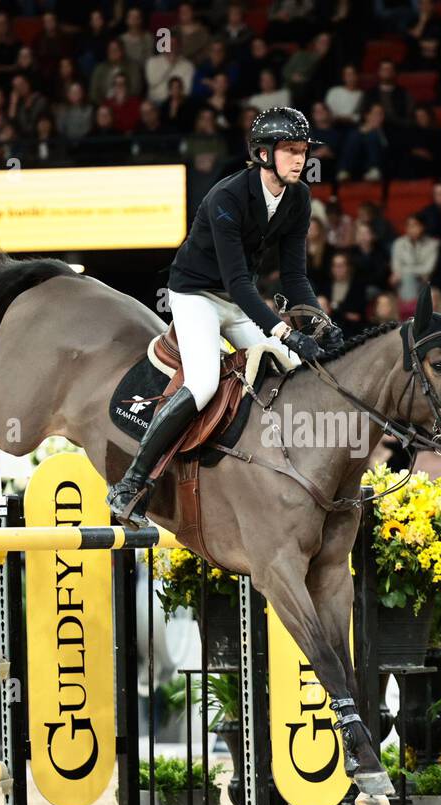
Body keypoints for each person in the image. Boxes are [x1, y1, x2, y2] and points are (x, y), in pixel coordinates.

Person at [107, 107, 341, 526]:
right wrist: (286, 332)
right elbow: (238, 282)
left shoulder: (299, 199)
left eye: (303, 151)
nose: (300, 159)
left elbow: (294, 277)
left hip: (235, 302)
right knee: (203, 383)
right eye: (290, 150)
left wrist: (324, 325)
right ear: (263, 153)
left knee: (288, 370)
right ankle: (132, 482)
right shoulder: (227, 197)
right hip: (196, 294)